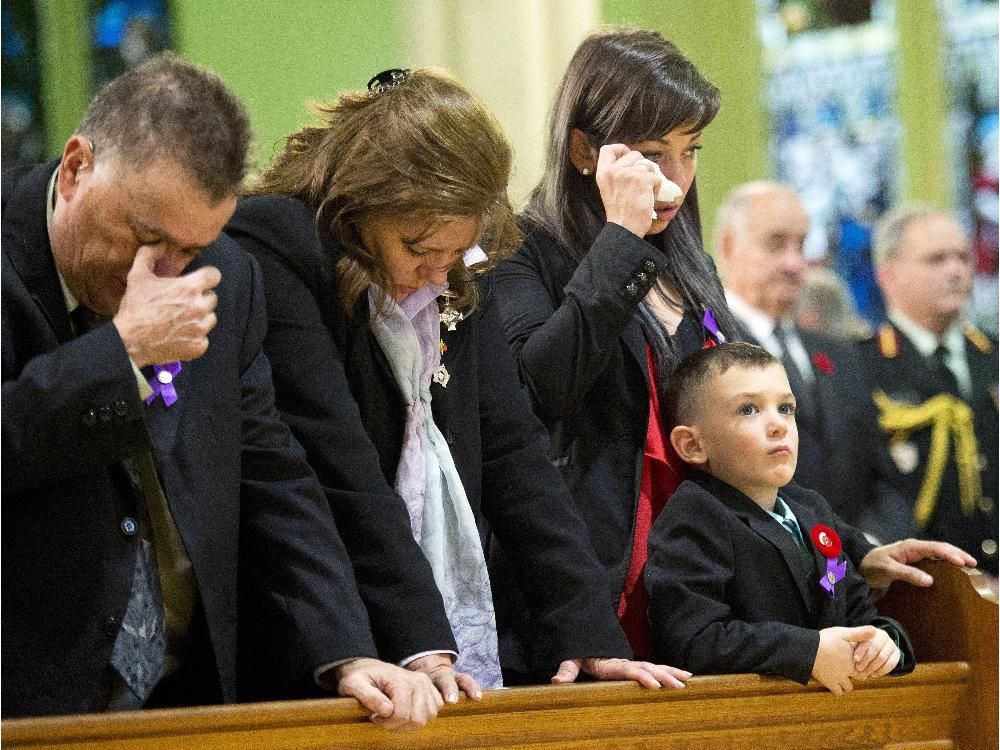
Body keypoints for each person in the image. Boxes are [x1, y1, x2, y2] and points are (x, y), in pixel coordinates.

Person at [494, 28, 977, 660]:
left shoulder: (690, 267)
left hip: (714, 597)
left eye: (690, 150)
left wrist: (849, 549)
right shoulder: (523, 254)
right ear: (585, 150)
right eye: (652, 154)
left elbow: (744, 446)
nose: (676, 180)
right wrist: (620, 239)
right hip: (587, 601)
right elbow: (536, 396)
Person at [2, 53, 445, 728]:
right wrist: (120, 353)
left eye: (191, 248)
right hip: (30, 705)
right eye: (147, 238)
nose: (167, 273)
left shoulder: (226, 275)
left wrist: (346, 652)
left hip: (190, 701)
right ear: (76, 168)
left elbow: (271, 474)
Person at [224, 67, 688, 693]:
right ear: (362, 208)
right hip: (317, 628)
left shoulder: (457, 264)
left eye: (455, 253)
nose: (440, 274)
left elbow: (512, 452)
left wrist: (587, 631)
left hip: (425, 631)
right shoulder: (281, 244)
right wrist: (420, 643)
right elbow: (338, 464)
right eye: (419, 249)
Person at [646, 343, 914, 693]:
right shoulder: (696, 518)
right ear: (692, 445)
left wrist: (883, 640)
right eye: (748, 410)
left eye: (786, 408)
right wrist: (808, 651)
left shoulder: (812, 511)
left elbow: (853, 605)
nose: (778, 425)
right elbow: (695, 639)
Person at [714, 181, 896, 538]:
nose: (794, 263)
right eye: (775, 244)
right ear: (728, 246)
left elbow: (882, 476)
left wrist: (869, 547)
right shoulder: (709, 347)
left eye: (801, 245)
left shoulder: (839, 354)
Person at [858, 204, 998, 578]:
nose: (956, 271)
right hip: (924, 585)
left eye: (962, 258)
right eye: (936, 260)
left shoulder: (993, 355)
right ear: (887, 274)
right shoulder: (861, 366)